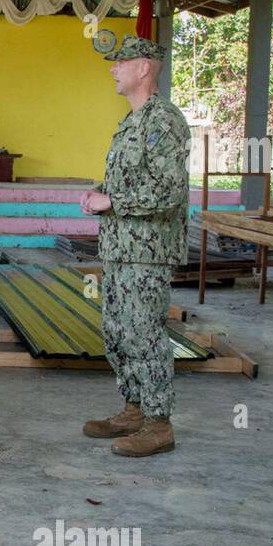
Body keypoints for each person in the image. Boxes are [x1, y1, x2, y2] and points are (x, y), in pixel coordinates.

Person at [80, 35, 189, 458]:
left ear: (144, 68)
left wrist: (114, 201)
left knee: (144, 334)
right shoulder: (131, 122)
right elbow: (132, 184)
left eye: (120, 62)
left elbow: (168, 192)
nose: (113, 69)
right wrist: (101, 194)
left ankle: (159, 423)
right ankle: (134, 409)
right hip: (121, 247)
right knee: (118, 332)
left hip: (148, 251)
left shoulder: (164, 121)